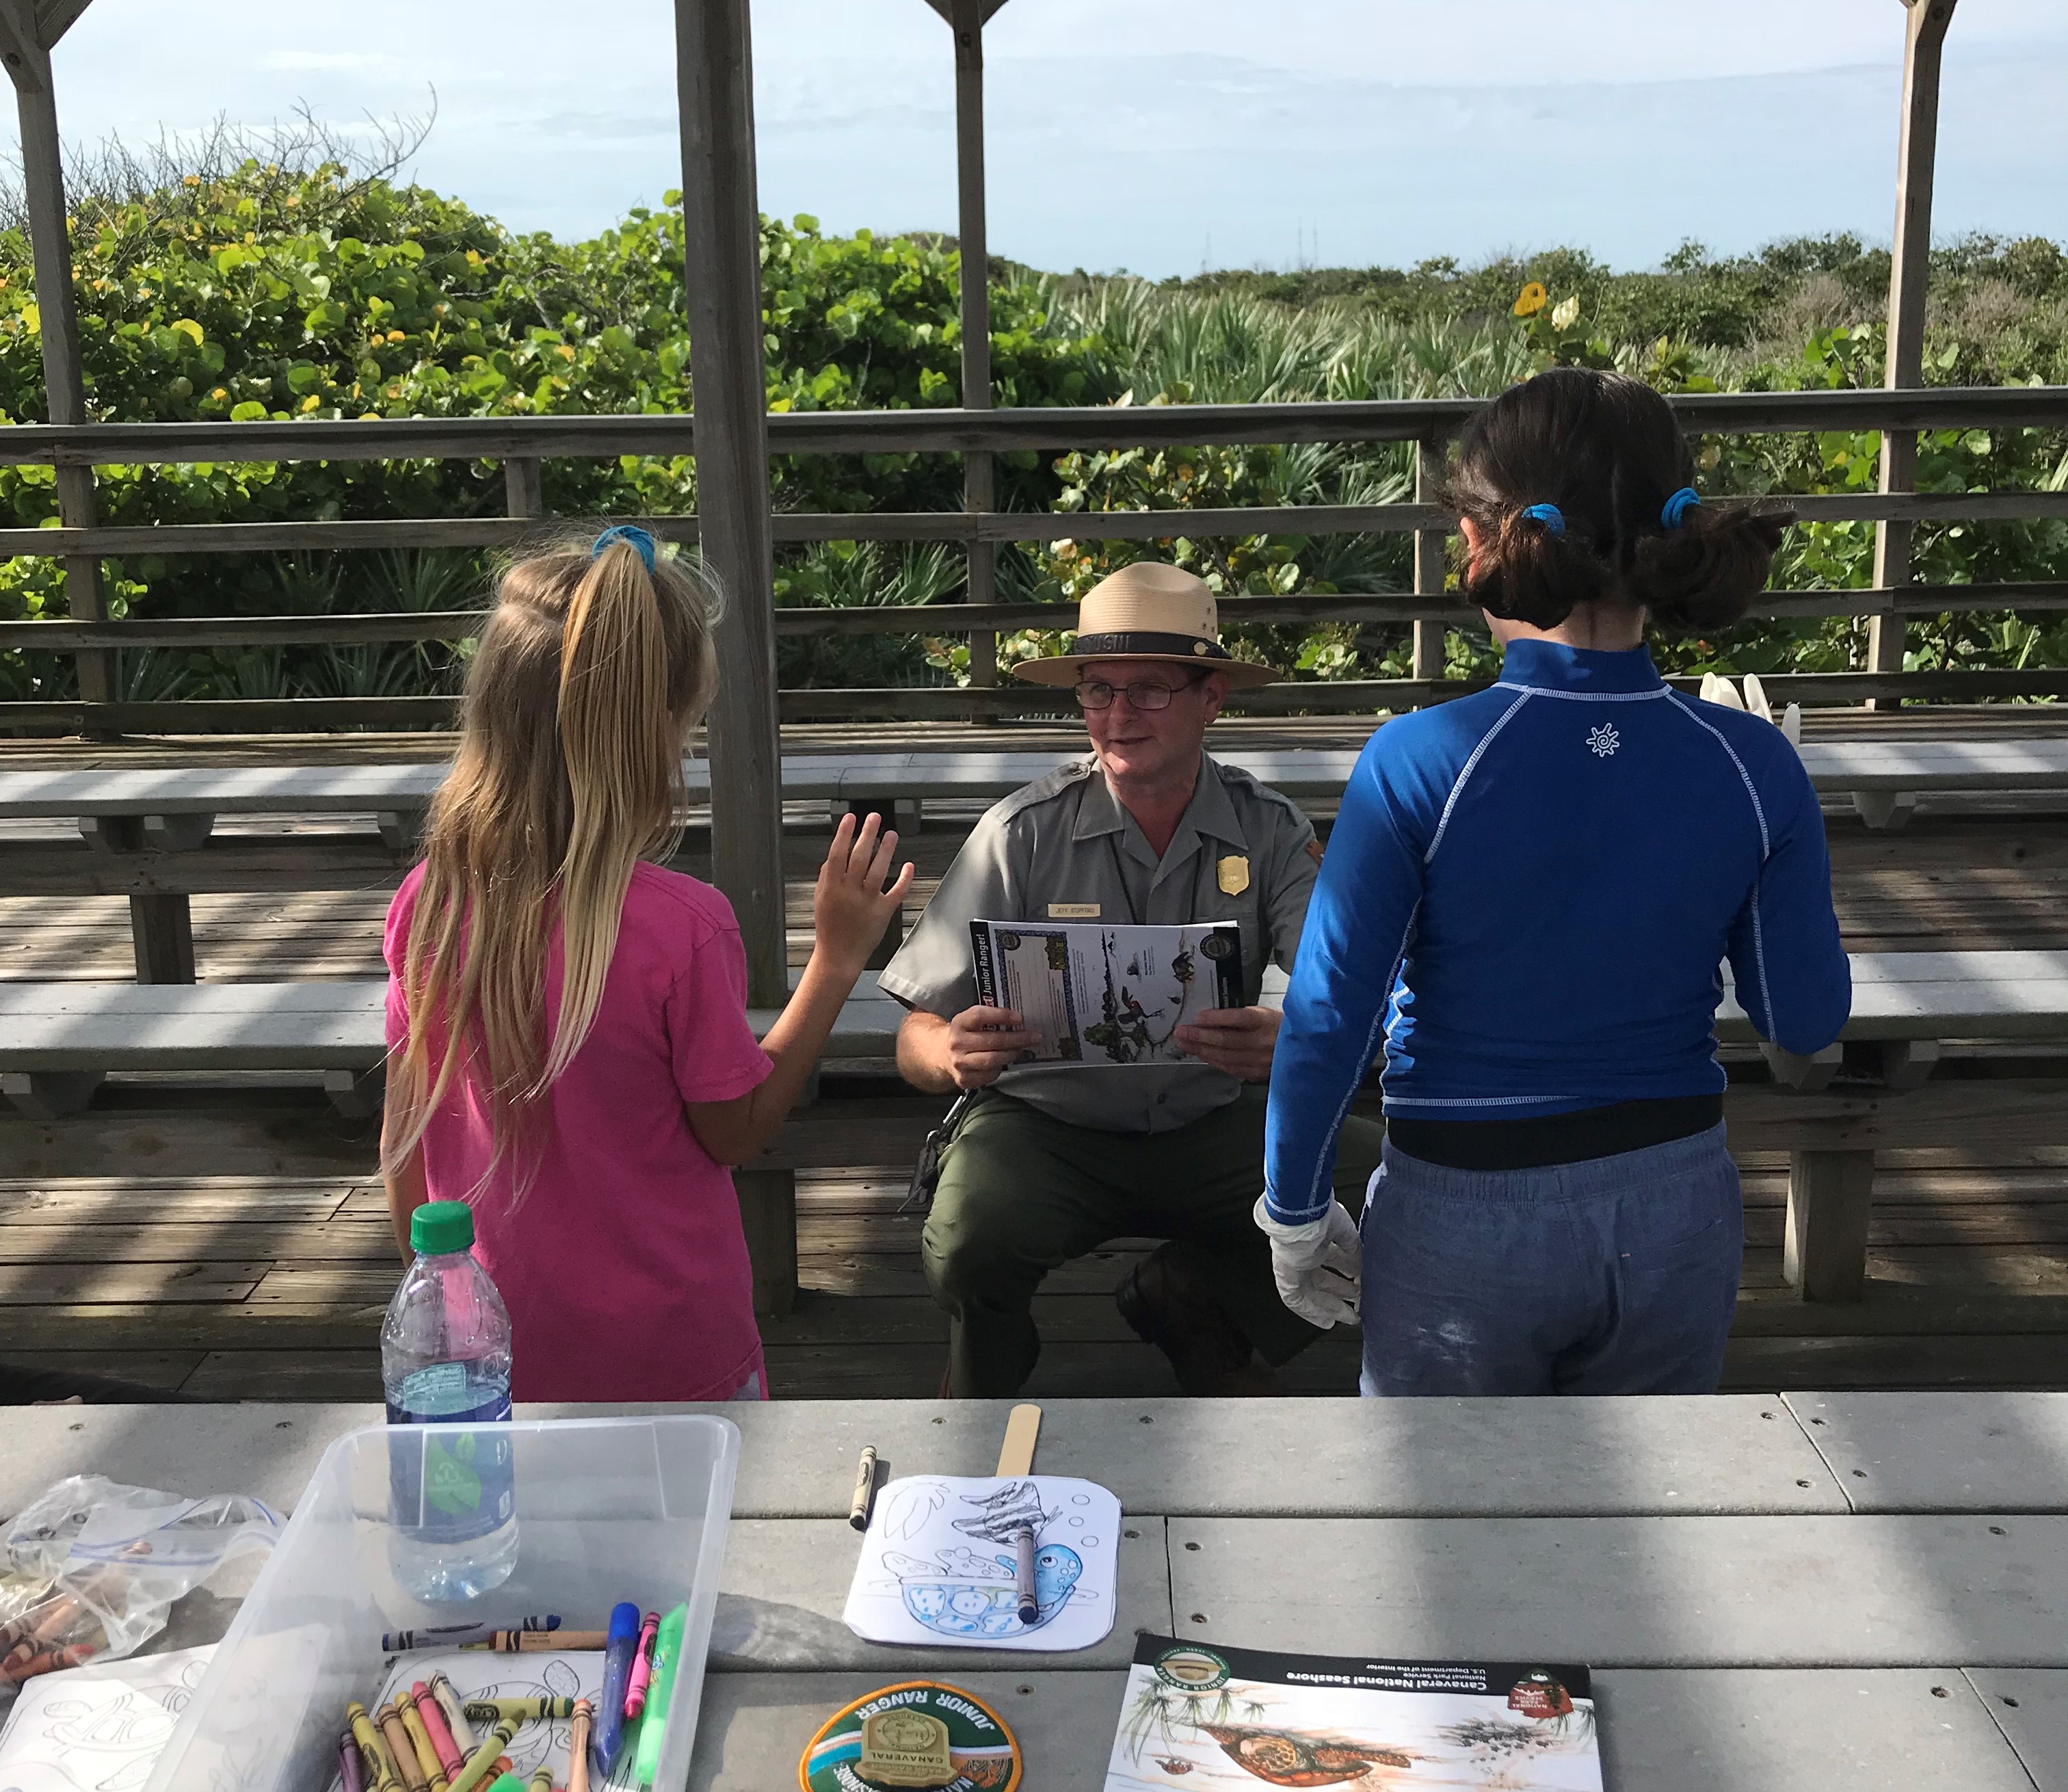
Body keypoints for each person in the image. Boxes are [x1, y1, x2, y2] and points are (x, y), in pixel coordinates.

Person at [1258, 368, 1851, 1396]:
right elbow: (1805, 1021)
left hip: (1463, 1212)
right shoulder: (1754, 764)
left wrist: (1296, 1212)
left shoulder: (1417, 758)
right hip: (1675, 1207)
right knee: (1646, 1543)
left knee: (1447, 1545)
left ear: (1484, 542)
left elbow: (1328, 1021)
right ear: (1676, 528)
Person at [380, 525, 912, 1406]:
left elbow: (403, 1138)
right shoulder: (683, 928)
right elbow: (735, 1131)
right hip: (675, 1360)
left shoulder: (429, 903)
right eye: (689, 725)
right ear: (647, 734)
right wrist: (836, 957)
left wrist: (442, 1319)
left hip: (489, 1356)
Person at [880, 559, 1383, 1397]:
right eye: (1097, 689)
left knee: (1395, 1187)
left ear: (1211, 697)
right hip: (1050, 1127)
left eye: (1149, 689)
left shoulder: (1271, 829)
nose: (1118, 714)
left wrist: (1293, 1043)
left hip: (1214, 1116)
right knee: (969, 1236)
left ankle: (1199, 1299)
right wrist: (951, 1055)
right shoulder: (1018, 832)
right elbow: (914, 1034)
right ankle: (985, 1379)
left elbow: (1343, 991)